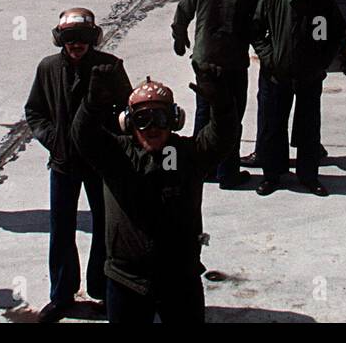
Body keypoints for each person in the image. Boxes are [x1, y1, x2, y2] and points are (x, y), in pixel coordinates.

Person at [73, 72, 237, 323]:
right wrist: (91, 104)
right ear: (128, 123)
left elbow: (222, 138)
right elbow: (83, 136)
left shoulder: (189, 154)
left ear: (174, 120)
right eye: (142, 119)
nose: (152, 127)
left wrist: (222, 105)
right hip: (126, 280)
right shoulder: (116, 154)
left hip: (181, 277)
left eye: (160, 118)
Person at [24, 8, 132, 323]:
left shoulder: (110, 67)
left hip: (99, 165)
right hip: (63, 164)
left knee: (105, 228)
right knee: (60, 230)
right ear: (61, 40)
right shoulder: (47, 68)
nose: (76, 45)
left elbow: (126, 111)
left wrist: (109, 142)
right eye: (70, 39)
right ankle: (61, 295)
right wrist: (53, 140)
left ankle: (103, 290)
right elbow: (34, 111)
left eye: (83, 39)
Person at [250, 0, 346, 197]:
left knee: (309, 129)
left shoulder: (323, 2)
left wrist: (322, 61)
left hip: (309, 78)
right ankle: (272, 175)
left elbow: (337, 32)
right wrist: (269, 58)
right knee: (273, 128)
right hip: (276, 77)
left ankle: (308, 176)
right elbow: (257, 31)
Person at [241, 0, 333, 167]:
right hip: (305, 46)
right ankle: (311, 151)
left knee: (271, 108)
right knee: (308, 108)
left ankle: (266, 154)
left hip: (274, 46)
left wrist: (266, 53)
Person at [171, 0, 259, 188]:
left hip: (204, 61)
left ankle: (202, 167)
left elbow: (183, 12)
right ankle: (228, 172)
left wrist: (179, 37)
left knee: (203, 112)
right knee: (231, 116)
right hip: (233, 63)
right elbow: (256, 26)